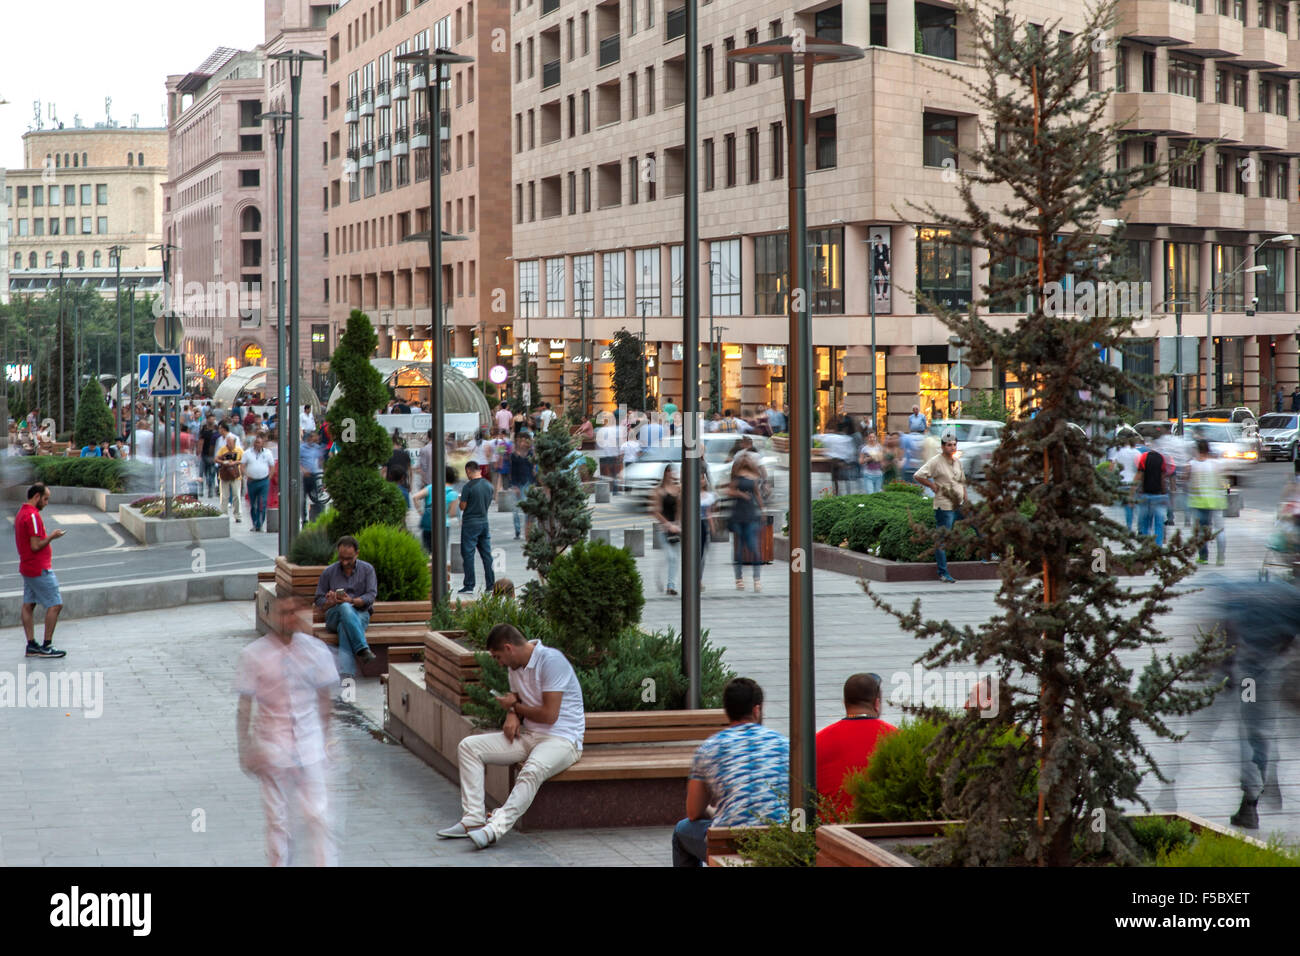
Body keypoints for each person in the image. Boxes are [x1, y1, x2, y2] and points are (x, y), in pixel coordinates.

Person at [437, 623, 586, 849]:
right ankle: (473, 820)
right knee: (469, 746)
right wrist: (511, 713)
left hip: (562, 740)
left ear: (509, 648)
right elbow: (515, 699)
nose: (498, 663)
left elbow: (549, 715)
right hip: (529, 736)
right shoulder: (514, 667)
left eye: (498, 657)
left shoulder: (551, 661)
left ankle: (494, 829)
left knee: (532, 769)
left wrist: (514, 707)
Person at [236, 595, 339, 867]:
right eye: (283, 612)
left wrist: (327, 741)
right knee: (278, 821)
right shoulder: (254, 654)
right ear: (272, 615)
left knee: (319, 817)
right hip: (272, 748)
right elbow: (244, 705)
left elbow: (325, 699)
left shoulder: (316, 651)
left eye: (295, 612)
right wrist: (245, 748)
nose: (288, 618)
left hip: (310, 744)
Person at [672, 677, 789, 867]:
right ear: (756, 710)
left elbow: (693, 812)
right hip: (779, 840)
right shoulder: (784, 745)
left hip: (728, 843)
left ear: (727, 710)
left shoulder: (710, 748)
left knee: (681, 831)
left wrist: (716, 811)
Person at [816, 673, 899, 816]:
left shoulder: (817, 741)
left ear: (845, 703)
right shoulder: (896, 738)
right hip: (881, 832)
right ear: (877, 704)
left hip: (830, 833)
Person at [16, 483, 67, 659]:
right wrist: (52, 536)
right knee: (55, 604)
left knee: (28, 604)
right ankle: (47, 645)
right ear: (36, 497)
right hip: (38, 568)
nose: (46, 503)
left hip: (27, 566)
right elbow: (36, 545)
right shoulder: (32, 516)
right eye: (45, 499)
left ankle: (31, 644)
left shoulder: (22, 513)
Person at [314, 535, 378, 675]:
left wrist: (352, 601)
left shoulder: (367, 570)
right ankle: (362, 648)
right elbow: (318, 600)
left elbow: (370, 596)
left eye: (348, 559)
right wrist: (329, 602)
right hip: (333, 615)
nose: (344, 562)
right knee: (343, 607)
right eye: (341, 558)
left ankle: (347, 685)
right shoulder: (329, 572)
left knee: (344, 627)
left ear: (357, 553)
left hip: (360, 614)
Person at [913, 430, 968, 583]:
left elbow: (962, 481)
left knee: (977, 523)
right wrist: (931, 485)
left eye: (954, 445)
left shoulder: (957, 461)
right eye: (949, 445)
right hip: (944, 507)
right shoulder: (936, 461)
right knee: (942, 539)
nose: (952, 447)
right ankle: (943, 572)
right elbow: (918, 475)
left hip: (959, 504)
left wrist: (966, 498)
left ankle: (988, 555)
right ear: (943, 446)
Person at [728, 455, 765, 592]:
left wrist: (762, 510)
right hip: (738, 515)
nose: (746, 459)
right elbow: (730, 491)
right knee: (738, 549)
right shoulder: (737, 476)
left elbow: (757, 494)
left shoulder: (753, 476)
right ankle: (739, 579)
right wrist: (741, 494)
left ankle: (757, 579)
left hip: (750, 515)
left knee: (753, 548)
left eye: (747, 458)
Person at [459, 460, 496, 595]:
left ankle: (469, 585)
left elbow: (463, 506)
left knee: (468, 554)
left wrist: (461, 502)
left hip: (470, 523)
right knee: (486, 554)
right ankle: (490, 584)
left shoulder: (468, 487)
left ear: (469, 470)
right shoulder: (489, 486)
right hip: (484, 522)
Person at [1188, 439, 1227, 566]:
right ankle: (1220, 558)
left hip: (1199, 503)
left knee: (1201, 531)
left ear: (1197, 450)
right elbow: (1223, 483)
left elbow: (1188, 482)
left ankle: (1203, 557)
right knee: (1219, 530)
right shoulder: (1217, 464)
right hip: (1216, 501)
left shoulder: (1192, 464)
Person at [649, 465, 681, 596]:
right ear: (664, 473)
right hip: (663, 528)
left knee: (675, 558)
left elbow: (680, 508)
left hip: (676, 527)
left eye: (673, 471)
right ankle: (660, 574)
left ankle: (671, 586)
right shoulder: (658, 490)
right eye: (669, 471)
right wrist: (668, 524)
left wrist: (678, 523)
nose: (671, 473)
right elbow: (655, 511)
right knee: (670, 556)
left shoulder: (678, 489)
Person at [1133, 440, 1171, 546]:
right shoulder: (1162, 458)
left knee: (1145, 523)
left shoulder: (1144, 457)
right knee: (1159, 524)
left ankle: (1146, 545)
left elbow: (1140, 474)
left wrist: (1134, 490)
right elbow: (1162, 477)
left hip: (1145, 494)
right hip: (1158, 495)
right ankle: (1158, 547)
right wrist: (1164, 492)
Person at [242, 433, 276, 532]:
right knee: (253, 504)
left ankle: (259, 523)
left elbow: (272, 466)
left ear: (262, 444)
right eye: (256, 442)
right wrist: (247, 475)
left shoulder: (268, 453)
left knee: (262, 502)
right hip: (252, 482)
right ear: (254, 443)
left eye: (260, 443)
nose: (258, 444)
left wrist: (269, 478)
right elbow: (242, 466)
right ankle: (254, 522)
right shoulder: (247, 453)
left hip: (264, 481)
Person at [1110, 434, 1142, 532]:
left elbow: (1111, 467)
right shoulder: (1137, 452)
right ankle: (1139, 527)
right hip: (1133, 481)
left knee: (1125, 506)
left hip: (1122, 482)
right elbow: (1140, 468)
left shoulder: (1117, 452)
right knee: (1135, 505)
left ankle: (1128, 526)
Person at [509, 434, 536, 540]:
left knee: (527, 508)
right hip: (518, 483)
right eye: (522, 441)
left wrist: (534, 484)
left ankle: (527, 530)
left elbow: (533, 470)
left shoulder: (531, 454)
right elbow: (512, 472)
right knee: (516, 509)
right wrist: (514, 486)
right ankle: (517, 530)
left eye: (526, 441)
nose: (524, 443)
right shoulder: (514, 455)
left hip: (528, 483)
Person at [216, 430, 245, 523]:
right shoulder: (223, 449)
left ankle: (238, 515)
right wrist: (223, 462)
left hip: (235, 475)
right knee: (224, 496)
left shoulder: (239, 450)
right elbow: (216, 459)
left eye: (230, 443)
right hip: (224, 474)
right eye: (227, 442)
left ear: (234, 443)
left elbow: (243, 460)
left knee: (236, 495)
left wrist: (235, 462)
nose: (229, 444)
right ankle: (224, 514)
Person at [300, 430, 326, 523]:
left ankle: (318, 516)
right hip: (304, 476)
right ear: (309, 438)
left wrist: (321, 468)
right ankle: (304, 518)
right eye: (313, 437)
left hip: (314, 475)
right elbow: (297, 462)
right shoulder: (302, 448)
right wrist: (303, 470)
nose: (315, 438)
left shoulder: (317, 448)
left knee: (317, 498)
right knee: (303, 499)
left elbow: (320, 459)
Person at [199, 415, 220, 498]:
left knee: (211, 474)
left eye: (213, 419)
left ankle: (210, 490)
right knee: (204, 473)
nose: (212, 421)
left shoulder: (216, 431)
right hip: (205, 454)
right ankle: (204, 490)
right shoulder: (204, 430)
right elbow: (201, 441)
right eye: (211, 419)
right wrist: (199, 451)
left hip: (212, 455)